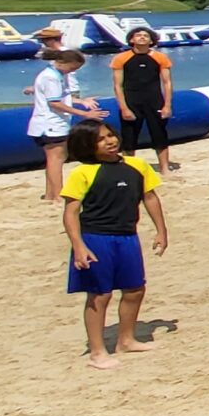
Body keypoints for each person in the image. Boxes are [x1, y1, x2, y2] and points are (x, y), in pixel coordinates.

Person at [59, 120, 167, 369]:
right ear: (88, 146)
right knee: (100, 294)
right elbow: (71, 212)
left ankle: (126, 340)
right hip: (96, 238)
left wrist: (161, 230)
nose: (110, 141)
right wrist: (78, 245)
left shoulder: (136, 166)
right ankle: (97, 351)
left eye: (110, 135)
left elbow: (150, 198)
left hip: (127, 236)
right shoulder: (82, 173)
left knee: (135, 289)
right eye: (101, 139)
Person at [27, 49, 103, 202]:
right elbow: (55, 103)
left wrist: (82, 101)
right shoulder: (51, 77)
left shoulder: (56, 75)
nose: (73, 71)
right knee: (56, 159)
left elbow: (62, 98)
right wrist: (84, 114)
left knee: (54, 159)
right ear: (62, 63)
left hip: (52, 123)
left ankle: (50, 194)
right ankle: (57, 195)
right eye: (72, 68)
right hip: (50, 124)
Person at [110, 27, 177, 172]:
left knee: (159, 134)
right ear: (131, 40)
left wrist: (167, 105)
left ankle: (164, 168)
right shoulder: (121, 58)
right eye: (138, 35)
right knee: (129, 137)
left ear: (151, 40)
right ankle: (129, 168)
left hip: (154, 100)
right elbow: (117, 85)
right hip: (131, 101)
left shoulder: (160, 57)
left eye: (146, 35)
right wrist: (124, 108)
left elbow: (167, 83)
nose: (142, 37)